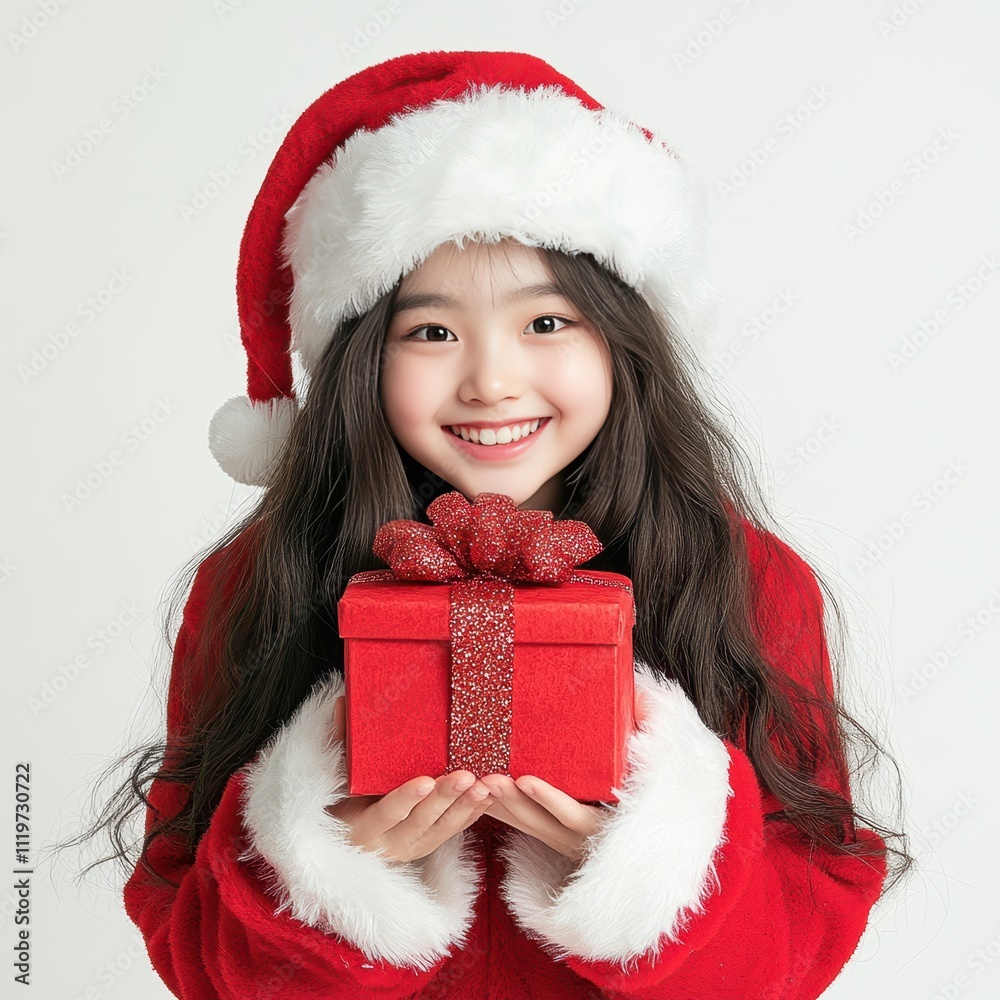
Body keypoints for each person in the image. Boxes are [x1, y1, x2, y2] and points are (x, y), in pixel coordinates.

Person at [98, 51, 909, 997]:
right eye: (431, 332)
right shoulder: (256, 582)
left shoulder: (747, 578)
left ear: (623, 337)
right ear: (363, 358)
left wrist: (660, 883)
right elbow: (188, 945)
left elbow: (806, 937)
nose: (490, 379)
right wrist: (320, 884)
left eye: (547, 323)